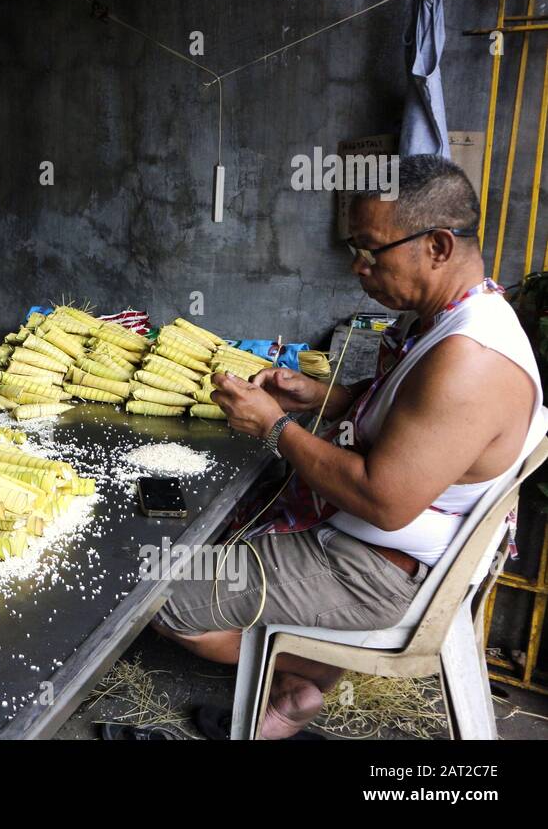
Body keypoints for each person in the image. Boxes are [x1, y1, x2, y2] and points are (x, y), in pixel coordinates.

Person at [155, 154, 548, 739]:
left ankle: (300, 670)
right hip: (385, 549)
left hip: (376, 569)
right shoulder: (459, 317)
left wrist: (272, 427)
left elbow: (383, 499)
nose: (359, 269)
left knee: (162, 596)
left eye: (371, 250)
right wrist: (317, 396)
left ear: (437, 245)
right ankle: (295, 695)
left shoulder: (471, 362)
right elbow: (412, 425)